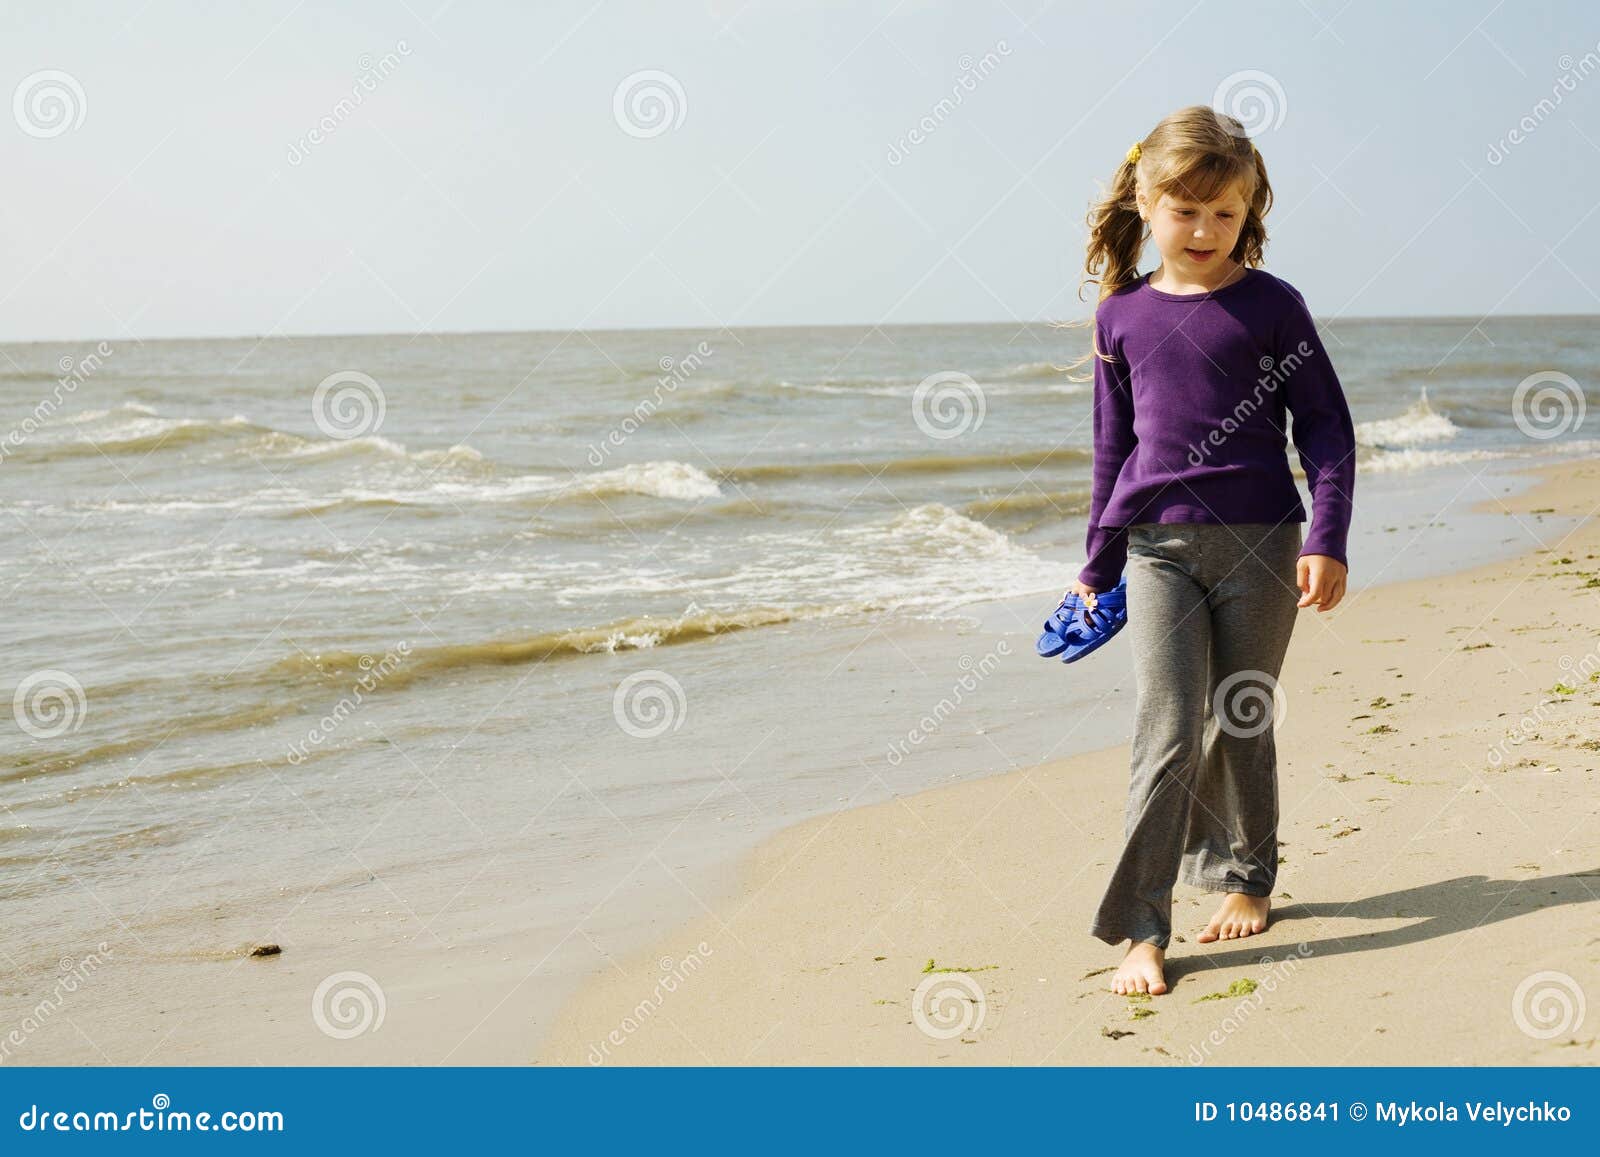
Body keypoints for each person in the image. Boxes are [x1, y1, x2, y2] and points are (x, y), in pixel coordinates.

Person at [1065, 106, 1357, 996]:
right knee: (1166, 730)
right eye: (1185, 210)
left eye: (1224, 213)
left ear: (1248, 211)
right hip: (1156, 550)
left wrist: (1327, 536)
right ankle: (1143, 928)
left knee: (1241, 715)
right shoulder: (1121, 316)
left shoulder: (1273, 305)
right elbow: (1113, 452)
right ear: (1145, 202)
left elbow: (1326, 430)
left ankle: (1248, 877)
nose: (1204, 229)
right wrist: (1096, 565)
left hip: (1263, 543)